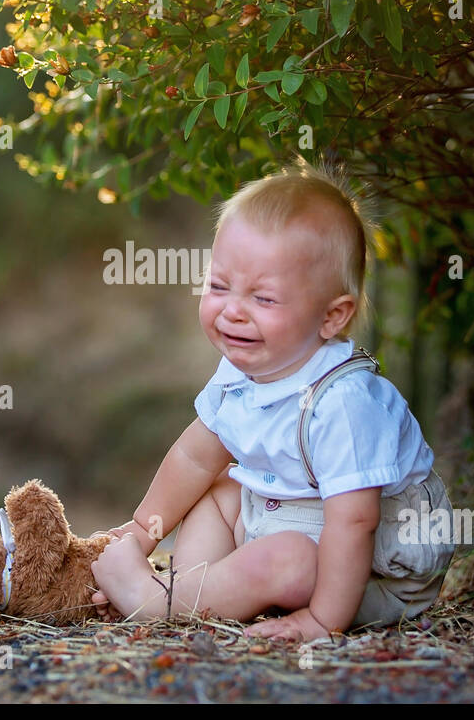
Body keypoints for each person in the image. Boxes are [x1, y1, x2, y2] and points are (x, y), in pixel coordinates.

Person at [89, 161, 455, 641]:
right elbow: (193, 456)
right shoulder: (241, 372)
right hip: (298, 520)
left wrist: (324, 620)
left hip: (377, 570)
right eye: (219, 286)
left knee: (288, 558)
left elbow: (357, 521)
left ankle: (155, 602)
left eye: (263, 299)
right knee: (215, 492)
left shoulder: (344, 403)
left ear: (332, 316)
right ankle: (190, 592)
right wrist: (141, 532)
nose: (233, 311)